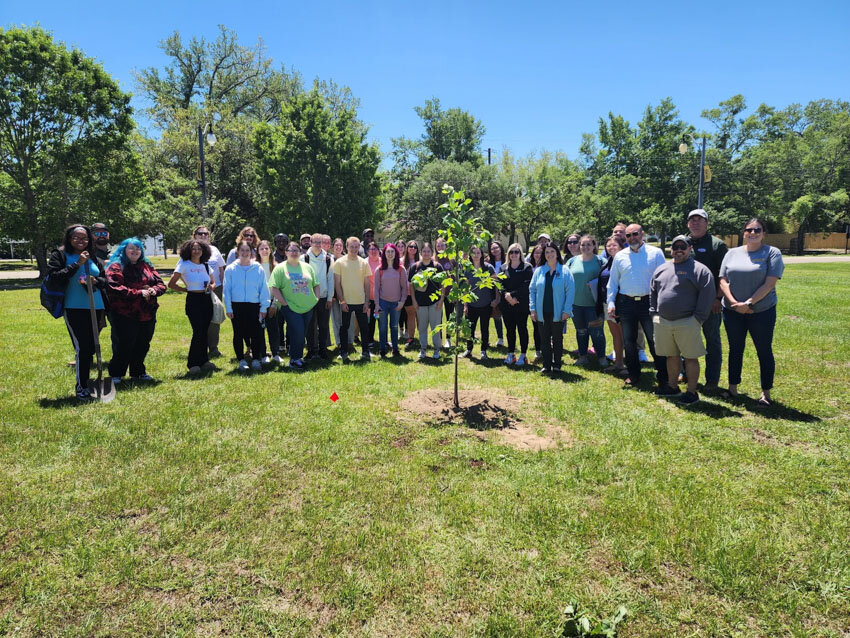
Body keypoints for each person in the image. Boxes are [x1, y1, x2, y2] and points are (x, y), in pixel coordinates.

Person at [718, 218, 784, 406]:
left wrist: (748, 303)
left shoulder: (772, 253)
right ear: (743, 232)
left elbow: (770, 282)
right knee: (735, 349)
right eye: (749, 230)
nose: (753, 233)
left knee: (764, 350)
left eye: (757, 230)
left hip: (762, 311)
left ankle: (766, 393)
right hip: (732, 311)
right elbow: (722, 279)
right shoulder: (731, 253)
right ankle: (732, 389)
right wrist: (733, 303)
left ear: (764, 233)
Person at [650, 235, 716, 404]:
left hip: (688, 321)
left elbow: (707, 295)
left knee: (690, 358)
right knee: (671, 356)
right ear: (671, 249)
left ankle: (692, 392)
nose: (678, 250)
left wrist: (697, 319)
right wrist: (654, 313)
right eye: (675, 247)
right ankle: (672, 387)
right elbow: (653, 291)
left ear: (690, 249)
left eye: (683, 247)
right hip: (663, 321)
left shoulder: (700, 270)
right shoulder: (662, 269)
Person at [47, 225, 109, 399]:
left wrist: (95, 280)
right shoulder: (60, 255)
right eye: (77, 237)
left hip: (95, 306)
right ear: (69, 238)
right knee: (83, 347)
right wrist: (77, 264)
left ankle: (90, 383)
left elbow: (105, 280)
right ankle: (81, 386)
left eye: (85, 238)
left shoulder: (93, 257)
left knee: (91, 347)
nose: (81, 241)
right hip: (74, 307)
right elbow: (54, 277)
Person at [606, 224, 668, 388]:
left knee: (655, 340)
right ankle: (634, 375)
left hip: (649, 303)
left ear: (642, 234)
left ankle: (663, 375)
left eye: (635, 234)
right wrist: (611, 302)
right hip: (626, 303)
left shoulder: (655, 254)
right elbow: (612, 283)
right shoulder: (620, 256)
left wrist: (662, 303)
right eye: (628, 235)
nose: (632, 238)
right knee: (629, 341)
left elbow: (664, 280)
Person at [105, 237, 166, 383]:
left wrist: (153, 290)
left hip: (147, 313)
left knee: (143, 343)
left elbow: (161, 285)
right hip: (124, 313)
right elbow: (113, 287)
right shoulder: (116, 266)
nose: (135, 251)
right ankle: (116, 374)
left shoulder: (146, 266)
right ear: (123, 250)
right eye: (131, 248)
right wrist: (138, 293)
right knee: (124, 343)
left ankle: (138, 372)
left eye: (138, 248)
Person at [686, 208, 728, 392]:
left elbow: (724, 275)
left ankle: (712, 380)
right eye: (692, 220)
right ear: (688, 224)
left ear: (707, 223)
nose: (695, 223)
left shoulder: (717, 245)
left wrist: (718, 298)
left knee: (712, 340)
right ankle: (684, 373)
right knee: (684, 339)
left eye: (699, 220)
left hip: (710, 302)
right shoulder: (683, 243)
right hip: (686, 302)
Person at [167, 239, 216, 374]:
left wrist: (210, 287)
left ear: (203, 251)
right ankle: (193, 363)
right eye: (194, 249)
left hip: (206, 300)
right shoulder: (184, 265)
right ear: (188, 250)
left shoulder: (205, 265)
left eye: (199, 249)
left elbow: (213, 282)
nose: (196, 251)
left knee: (204, 331)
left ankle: (204, 361)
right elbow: (171, 284)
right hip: (193, 300)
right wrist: (186, 290)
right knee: (198, 331)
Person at [270, 242, 320, 369]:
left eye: (296, 250)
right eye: (291, 250)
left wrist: (316, 299)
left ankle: (297, 357)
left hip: (307, 306)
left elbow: (316, 284)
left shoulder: (307, 267)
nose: (294, 252)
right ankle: (294, 360)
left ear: (300, 252)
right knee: (297, 331)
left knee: (301, 333)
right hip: (291, 307)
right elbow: (274, 287)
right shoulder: (280, 268)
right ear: (286, 253)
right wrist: (284, 303)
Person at [223, 240, 270, 371]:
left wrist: (264, 307)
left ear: (251, 252)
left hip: (254, 305)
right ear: (238, 252)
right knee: (238, 333)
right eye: (242, 250)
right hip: (237, 305)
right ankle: (241, 360)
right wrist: (228, 307)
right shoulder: (231, 268)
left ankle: (256, 359)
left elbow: (263, 289)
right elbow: (227, 290)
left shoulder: (258, 268)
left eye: (247, 250)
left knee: (255, 334)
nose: (244, 253)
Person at [529, 242, 574, 373]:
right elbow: (532, 290)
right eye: (547, 252)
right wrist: (532, 309)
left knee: (557, 339)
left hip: (558, 312)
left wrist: (567, 310)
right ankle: (546, 365)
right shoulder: (539, 271)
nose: (549, 254)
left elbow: (570, 291)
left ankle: (557, 364)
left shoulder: (565, 271)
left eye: (552, 252)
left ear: (557, 253)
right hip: (542, 311)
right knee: (544, 340)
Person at [567, 234, 607, 367]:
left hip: (593, 305)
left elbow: (608, 278)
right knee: (581, 331)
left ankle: (601, 357)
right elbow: (564, 277)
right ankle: (583, 356)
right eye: (583, 244)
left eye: (589, 244)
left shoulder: (600, 261)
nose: (585, 247)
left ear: (594, 246)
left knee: (597, 332)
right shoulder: (573, 261)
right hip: (576, 304)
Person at [333, 237, 372, 362]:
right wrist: (342, 301)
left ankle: (365, 351)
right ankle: (343, 352)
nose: (354, 249)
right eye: (352, 247)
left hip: (361, 302)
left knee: (364, 328)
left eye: (356, 247)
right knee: (344, 327)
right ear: (347, 247)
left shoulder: (364, 263)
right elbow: (337, 284)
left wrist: (367, 301)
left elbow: (367, 283)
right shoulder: (339, 262)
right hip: (346, 302)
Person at [193, 225, 226, 358]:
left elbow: (221, 269)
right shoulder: (190, 250)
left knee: (214, 318)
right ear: (195, 235)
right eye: (200, 234)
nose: (203, 236)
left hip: (216, 288)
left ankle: (213, 348)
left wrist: (223, 286)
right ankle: (200, 347)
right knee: (199, 319)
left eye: (206, 234)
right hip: (197, 290)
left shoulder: (214, 250)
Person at [462, 244, 500, 360]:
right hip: (472, 304)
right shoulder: (468, 269)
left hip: (486, 304)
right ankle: (469, 349)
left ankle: (483, 350)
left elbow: (496, 285)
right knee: (470, 329)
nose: (476, 255)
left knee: (485, 328)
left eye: (479, 253)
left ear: (482, 254)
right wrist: (465, 304)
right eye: (474, 253)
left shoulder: (488, 268)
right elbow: (465, 288)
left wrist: (497, 299)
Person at [302, 233, 335, 360]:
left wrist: (329, 298)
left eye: (319, 242)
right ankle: (311, 350)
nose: (317, 244)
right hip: (308, 298)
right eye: (314, 242)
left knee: (323, 325)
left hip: (323, 297)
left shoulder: (328, 259)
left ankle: (322, 350)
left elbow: (330, 279)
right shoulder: (303, 258)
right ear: (310, 243)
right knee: (310, 326)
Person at [499, 243, 533, 366]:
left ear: (520, 254)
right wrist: (507, 296)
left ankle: (523, 355)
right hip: (506, 305)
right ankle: (511, 353)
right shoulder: (503, 268)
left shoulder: (527, 267)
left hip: (521, 304)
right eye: (511, 252)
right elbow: (500, 285)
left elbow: (527, 285)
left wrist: (513, 296)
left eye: (516, 252)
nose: (514, 254)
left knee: (522, 329)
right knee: (510, 330)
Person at [409, 242, 444, 359]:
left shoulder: (437, 267)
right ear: (421, 253)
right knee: (422, 327)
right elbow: (411, 286)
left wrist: (441, 300)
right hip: (420, 303)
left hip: (435, 303)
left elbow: (443, 285)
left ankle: (436, 350)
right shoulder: (415, 267)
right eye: (424, 251)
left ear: (432, 253)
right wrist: (414, 300)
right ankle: (423, 349)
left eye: (428, 251)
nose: (426, 253)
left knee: (435, 328)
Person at [598, 235, 627, 374]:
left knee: (625, 335)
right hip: (607, 304)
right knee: (615, 335)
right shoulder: (607, 262)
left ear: (621, 246)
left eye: (614, 245)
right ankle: (619, 364)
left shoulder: (625, 262)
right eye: (608, 245)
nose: (611, 247)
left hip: (621, 304)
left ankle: (630, 365)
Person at [373, 242, 408, 357]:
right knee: (382, 327)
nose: (390, 254)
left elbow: (404, 288)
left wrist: (402, 302)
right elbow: (376, 288)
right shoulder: (379, 269)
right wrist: (377, 305)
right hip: (383, 302)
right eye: (388, 251)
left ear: (396, 253)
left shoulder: (401, 269)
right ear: (384, 254)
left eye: (392, 251)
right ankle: (382, 349)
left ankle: (395, 349)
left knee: (394, 326)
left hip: (396, 303)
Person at [258, 240, 282, 363]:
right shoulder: (254, 266)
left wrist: (274, 304)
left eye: (266, 248)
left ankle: (275, 353)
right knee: (259, 330)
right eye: (261, 249)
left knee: (273, 329)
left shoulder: (276, 266)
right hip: (258, 303)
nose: (264, 251)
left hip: (272, 302)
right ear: (258, 251)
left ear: (270, 250)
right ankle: (263, 354)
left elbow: (278, 287)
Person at [330, 237, 354, 350]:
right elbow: (330, 279)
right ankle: (339, 342)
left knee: (349, 318)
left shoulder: (347, 259)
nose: (338, 247)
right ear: (332, 247)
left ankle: (350, 341)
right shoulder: (329, 260)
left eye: (340, 245)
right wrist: (332, 295)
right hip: (334, 295)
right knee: (336, 319)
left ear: (343, 247)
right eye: (336, 245)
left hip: (347, 294)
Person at [435, 236, 455, 349]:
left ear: (446, 246)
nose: (440, 247)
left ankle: (448, 339)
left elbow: (458, 275)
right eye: (438, 245)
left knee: (449, 316)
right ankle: (439, 339)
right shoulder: (434, 260)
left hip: (450, 293)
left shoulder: (451, 259)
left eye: (442, 245)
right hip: (438, 294)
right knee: (438, 317)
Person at [527, 242, 546, 362]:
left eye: (540, 253)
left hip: (546, 301)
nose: (538, 255)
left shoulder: (546, 267)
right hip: (534, 301)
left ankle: (548, 349)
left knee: (547, 327)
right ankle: (538, 350)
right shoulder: (529, 267)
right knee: (536, 327)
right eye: (535, 253)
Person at [487, 241, 506, 347]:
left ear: (501, 248)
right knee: (489, 315)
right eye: (492, 248)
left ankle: (501, 338)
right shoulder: (488, 262)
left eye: (496, 248)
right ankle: (487, 338)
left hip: (504, 290)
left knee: (499, 316)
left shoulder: (506, 261)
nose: (494, 250)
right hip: (490, 291)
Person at [402, 240, 420, 345]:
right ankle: (411, 338)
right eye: (410, 246)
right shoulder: (401, 261)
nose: (412, 248)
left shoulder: (421, 261)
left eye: (415, 247)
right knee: (410, 315)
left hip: (419, 293)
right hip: (407, 293)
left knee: (420, 316)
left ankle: (422, 337)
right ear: (407, 248)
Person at [364, 241, 382, 348]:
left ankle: (382, 339)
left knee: (380, 319)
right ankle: (369, 339)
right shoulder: (364, 262)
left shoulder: (382, 262)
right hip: (369, 297)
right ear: (367, 251)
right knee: (370, 320)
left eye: (375, 249)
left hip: (380, 298)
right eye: (371, 249)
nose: (373, 251)